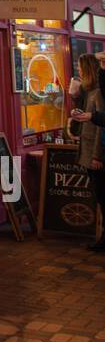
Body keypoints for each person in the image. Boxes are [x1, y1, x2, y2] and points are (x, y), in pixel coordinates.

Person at [68, 53, 105, 252]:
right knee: (100, 196)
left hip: (94, 153)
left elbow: (101, 125)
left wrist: (98, 155)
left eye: (81, 68)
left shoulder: (98, 92)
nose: (79, 71)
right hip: (88, 149)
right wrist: (76, 106)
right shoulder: (88, 92)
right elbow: (85, 117)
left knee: (102, 195)